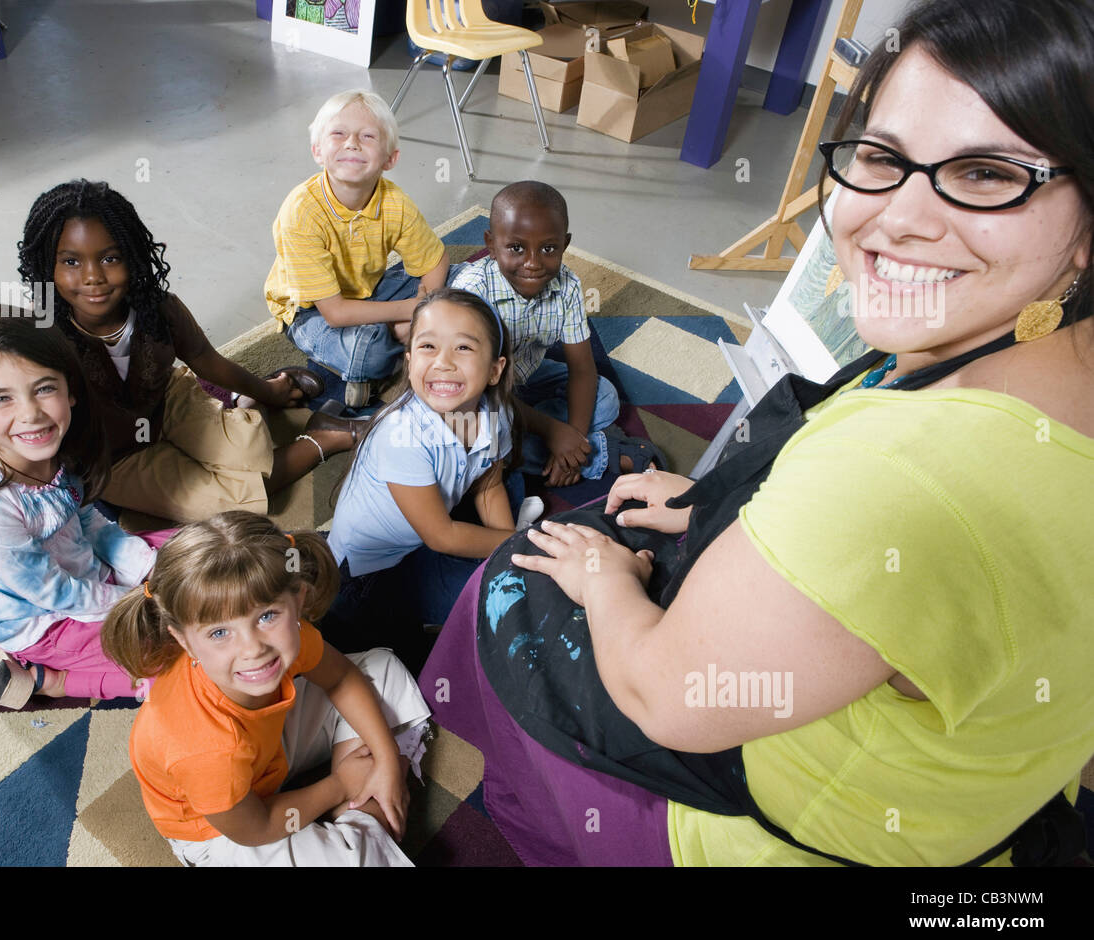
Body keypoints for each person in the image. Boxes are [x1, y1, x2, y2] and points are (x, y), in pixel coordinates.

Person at [429, 0, 1094, 866]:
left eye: (984, 174)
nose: (899, 217)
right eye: (883, 158)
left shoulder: (900, 480)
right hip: (970, 803)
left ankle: (539, 815)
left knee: (509, 580)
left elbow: (671, 697)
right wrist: (724, 506)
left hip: (789, 829)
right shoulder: (1040, 364)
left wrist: (602, 583)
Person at [18, 179, 359, 525]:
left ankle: (249, 402)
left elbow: (206, 361)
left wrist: (269, 391)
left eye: (110, 258)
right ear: (47, 265)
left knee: (256, 458)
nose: (93, 277)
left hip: (166, 404)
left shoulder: (157, 308)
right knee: (228, 508)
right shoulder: (42, 336)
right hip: (114, 456)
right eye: (71, 262)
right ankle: (325, 438)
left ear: (132, 257)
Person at [101, 512, 431, 866]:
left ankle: (371, 800)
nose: (253, 648)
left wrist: (384, 759)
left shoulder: (291, 635)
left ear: (298, 599)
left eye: (266, 616)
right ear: (184, 641)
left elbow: (342, 678)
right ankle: (366, 812)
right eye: (219, 633)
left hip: (266, 751)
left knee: (381, 668)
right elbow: (255, 828)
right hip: (224, 829)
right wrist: (341, 784)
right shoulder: (202, 749)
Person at [0, 314, 177, 709]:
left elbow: (86, 519)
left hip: (83, 571)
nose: (31, 414)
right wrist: (140, 599)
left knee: (204, 554)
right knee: (183, 657)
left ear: (70, 390)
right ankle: (49, 680)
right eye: (2, 398)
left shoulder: (57, 450)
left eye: (44, 389)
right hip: (40, 620)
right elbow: (55, 593)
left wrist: (146, 565)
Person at [323, 288, 531, 662]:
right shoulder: (400, 437)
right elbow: (442, 536)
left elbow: (489, 484)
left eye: (464, 348)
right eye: (428, 347)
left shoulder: (495, 413)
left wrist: (508, 551)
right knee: (500, 608)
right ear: (408, 360)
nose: (444, 363)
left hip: (426, 535)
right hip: (367, 575)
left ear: (496, 369)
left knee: (512, 492)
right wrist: (517, 546)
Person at [451, 181, 649, 485]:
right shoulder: (473, 291)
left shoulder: (567, 286)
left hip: (525, 376)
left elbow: (583, 370)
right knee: (481, 433)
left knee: (606, 396)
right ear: (491, 243)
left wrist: (574, 436)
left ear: (565, 244)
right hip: (476, 390)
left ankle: (561, 449)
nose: (533, 263)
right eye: (516, 248)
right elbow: (477, 390)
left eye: (548, 248)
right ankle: (597, 454)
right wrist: (554, 430)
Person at [264, 90, 450, 409]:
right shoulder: (301, 211)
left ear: (390, 158)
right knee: (371, 350)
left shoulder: (395, 202)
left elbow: (437, 260)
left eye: (367, 136)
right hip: (308, 312)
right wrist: (417, 310)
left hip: (369, 289)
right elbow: (335, 313)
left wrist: (426, 308)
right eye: (339, 133)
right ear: (318, 151)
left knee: (463, 280)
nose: (352, 142)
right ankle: (391, 355)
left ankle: (402, 345)